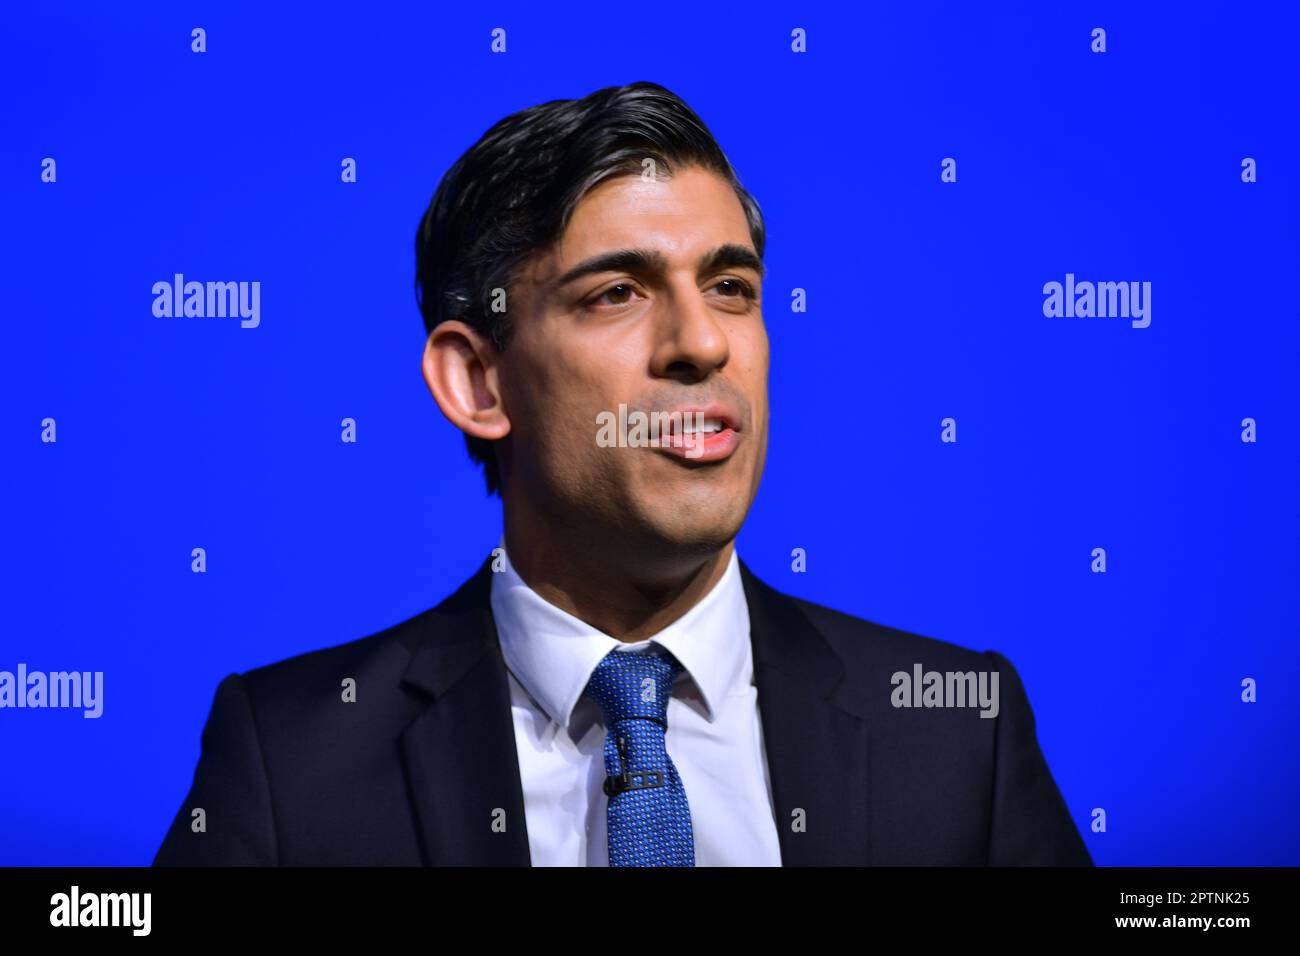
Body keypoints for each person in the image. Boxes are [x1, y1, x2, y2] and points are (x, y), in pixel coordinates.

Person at [154, 81, 1092, 867]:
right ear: (478, 380)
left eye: (732, 288)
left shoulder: (959, 730)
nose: (702, 342)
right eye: (617, 293)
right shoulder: (291, 764)